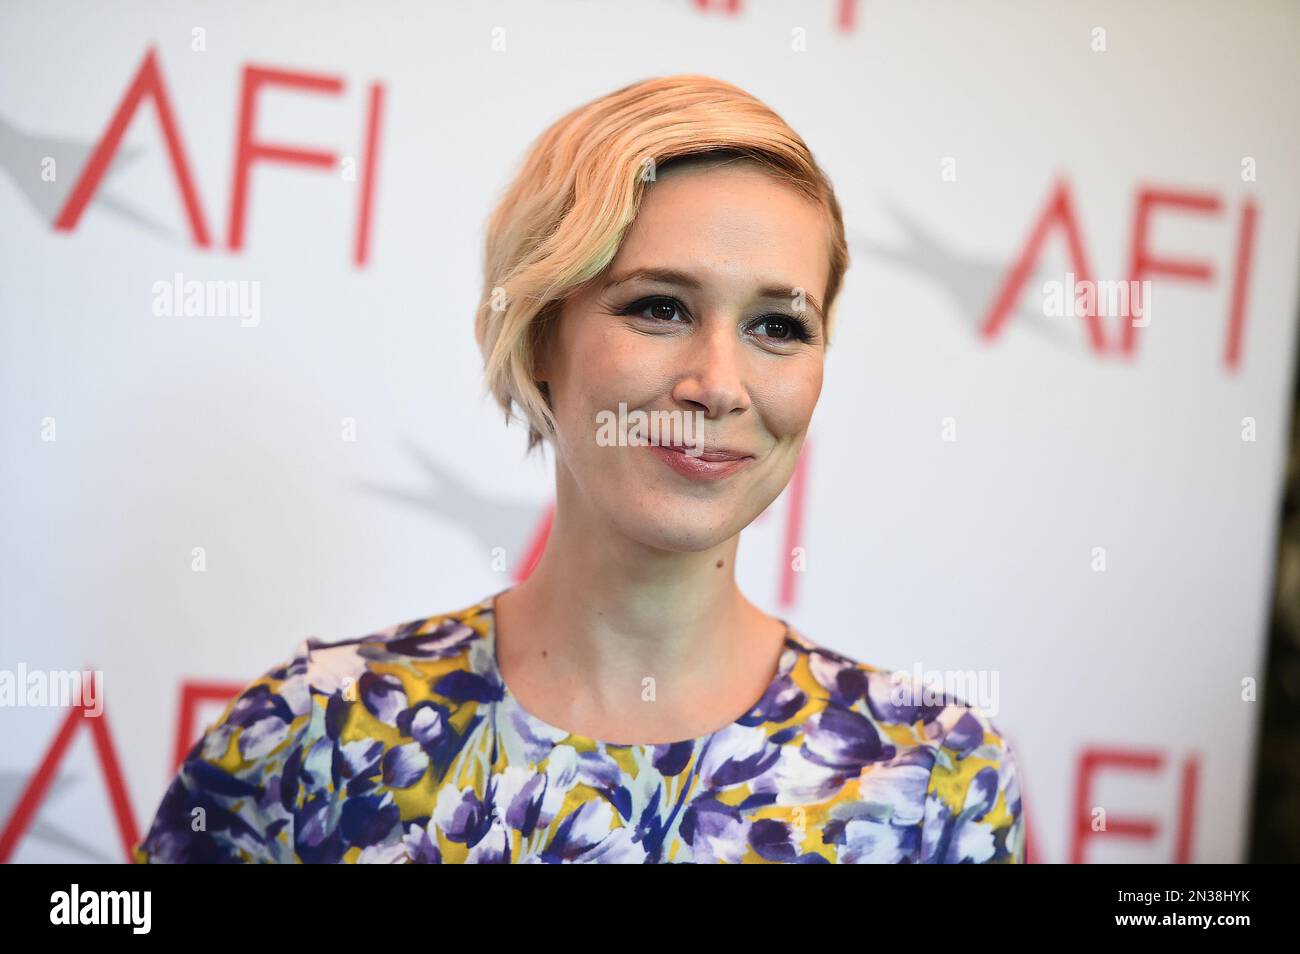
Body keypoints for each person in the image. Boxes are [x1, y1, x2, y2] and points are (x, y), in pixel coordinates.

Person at [133, 74, 1025, 863]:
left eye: (778, 326)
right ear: (540, 335)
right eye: (659, 307)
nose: (718, 384)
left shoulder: (937, 779)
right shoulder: (318, 734)